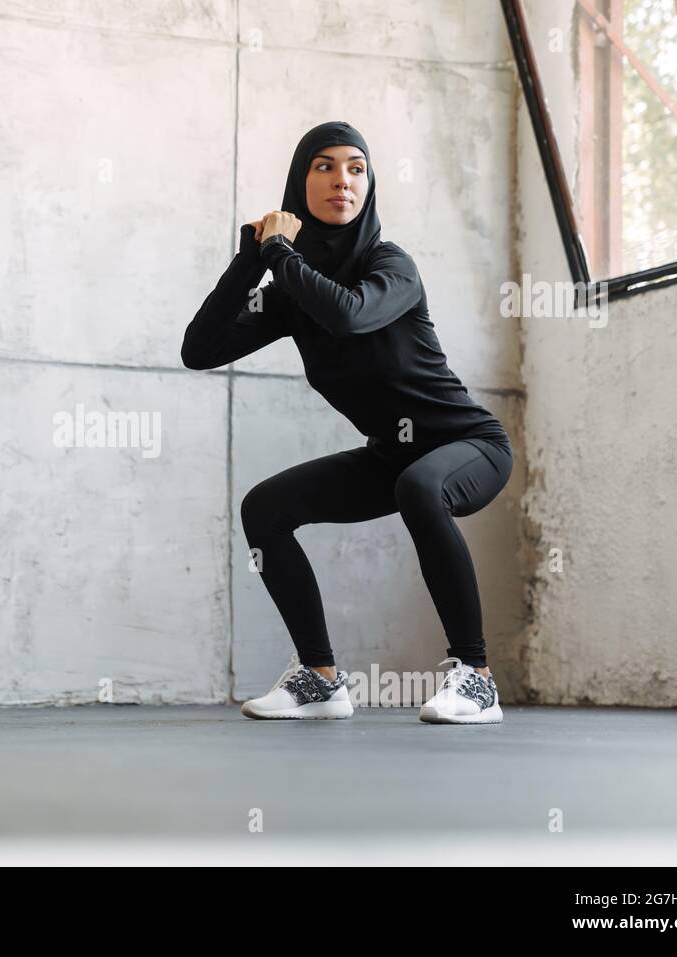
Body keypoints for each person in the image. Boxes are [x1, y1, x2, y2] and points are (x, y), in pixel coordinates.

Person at [181, 121, 513, 725]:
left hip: (470, 445)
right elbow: (199, 350)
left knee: (421, 487)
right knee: (265, 508)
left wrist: (280, 255)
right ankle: (320, 679)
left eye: (357, 168)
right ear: (298, 184)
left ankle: (477, 679)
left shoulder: (391, 264)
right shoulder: (288, 290)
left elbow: (350, 317)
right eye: (325, 166)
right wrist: (249, 261)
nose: (343, 181)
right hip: (392, 455)